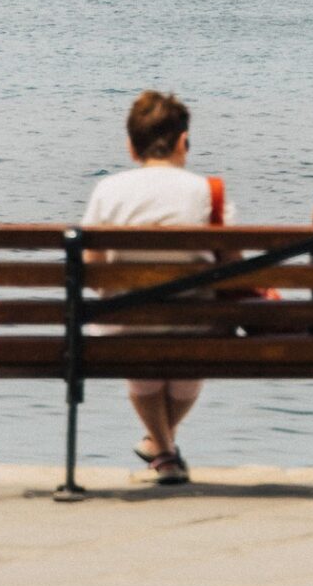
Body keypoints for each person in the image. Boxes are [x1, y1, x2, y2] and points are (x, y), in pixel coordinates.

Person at [80, 89, 234, 485]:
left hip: (125, 330)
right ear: (183, 141)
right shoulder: (208, 193)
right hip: (195, 329)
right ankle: (163, 448)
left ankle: (161, 450)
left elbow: (91, 271)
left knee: (135, 334)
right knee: (191, 347)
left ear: (132, 147)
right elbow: (233, 268)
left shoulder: (107, 191)